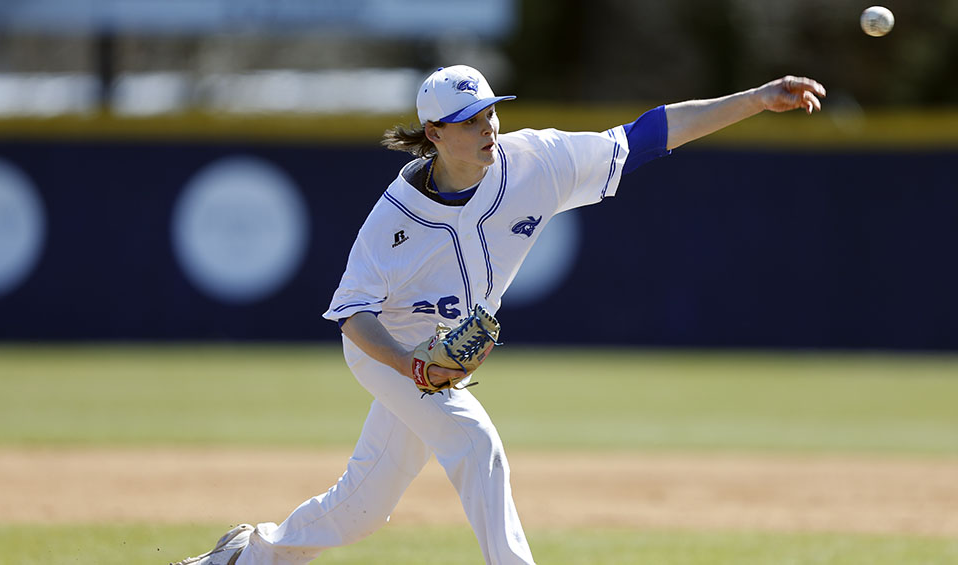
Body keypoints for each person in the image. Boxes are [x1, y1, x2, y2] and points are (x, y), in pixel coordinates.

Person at [173, 64, 825, 565]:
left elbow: (647, 136)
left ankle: (248, 556)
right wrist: (409, 364)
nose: (487, 127)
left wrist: (756, 99)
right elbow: (352, 315)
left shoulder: (537, 161)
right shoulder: (395, 218)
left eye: (489, 111)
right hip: (386, 346)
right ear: (434, 134)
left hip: (435, 352)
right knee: (475, 440)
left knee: (361, 509)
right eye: (468, 119)